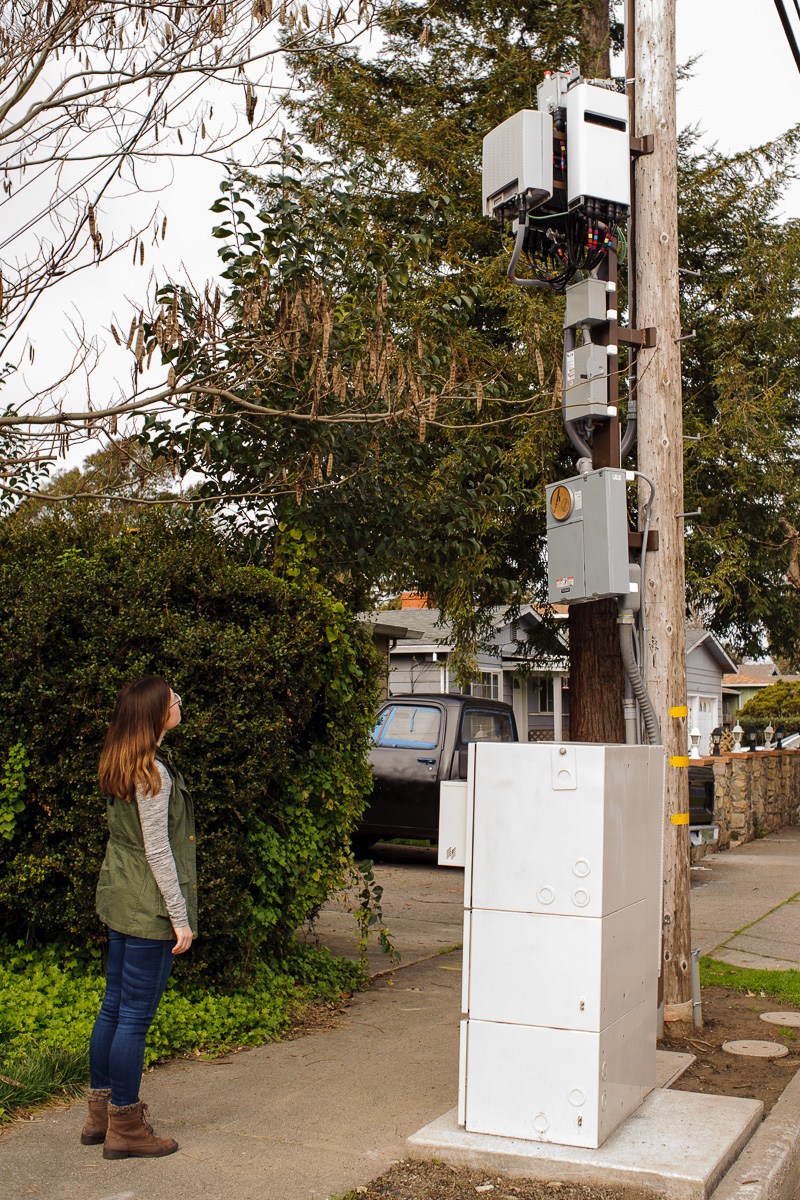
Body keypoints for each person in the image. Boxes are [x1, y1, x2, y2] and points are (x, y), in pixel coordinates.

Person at [81, 675, 196, 1160]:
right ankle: (126, 1127)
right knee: (133, 1017)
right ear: (156, 716)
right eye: (173, 701)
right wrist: (180, 917)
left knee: (113, 1006)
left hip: (119, 897)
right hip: (147, 906)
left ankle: (98, 1116)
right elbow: (159, 852)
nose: (179, 704)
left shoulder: (120, 763)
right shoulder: (154, 774)